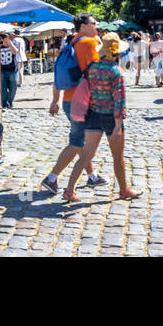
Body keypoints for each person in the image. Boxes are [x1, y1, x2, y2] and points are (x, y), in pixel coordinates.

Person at [62, 35, 140, 204]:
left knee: (86, 155)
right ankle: (123, 189)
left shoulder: (92, 68)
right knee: (117, 157)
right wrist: (118, 125)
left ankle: (69, 190)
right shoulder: (115, 72)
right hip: (111, 117)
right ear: (117, 54)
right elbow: (120, 101)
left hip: (93, 115)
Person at [42, 16, 107, 192]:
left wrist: (55, 100)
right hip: (83, 101)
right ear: (84, 26)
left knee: (81, 142)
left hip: (70, 101)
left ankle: (92, 176)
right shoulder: (88, 43)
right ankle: (51, 178)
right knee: (78, 142)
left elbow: (58, 77)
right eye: (94, 23)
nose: (96, 26)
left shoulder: (71, 44)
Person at [0, 29, 20, 109]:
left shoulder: (12, 45)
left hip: (12, 70)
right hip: (2, 70)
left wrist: (9, 42)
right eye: (5, 38)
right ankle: (5, 104)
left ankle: (10, 101)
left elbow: (15, 52)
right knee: (3, 88)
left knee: (13, 87)